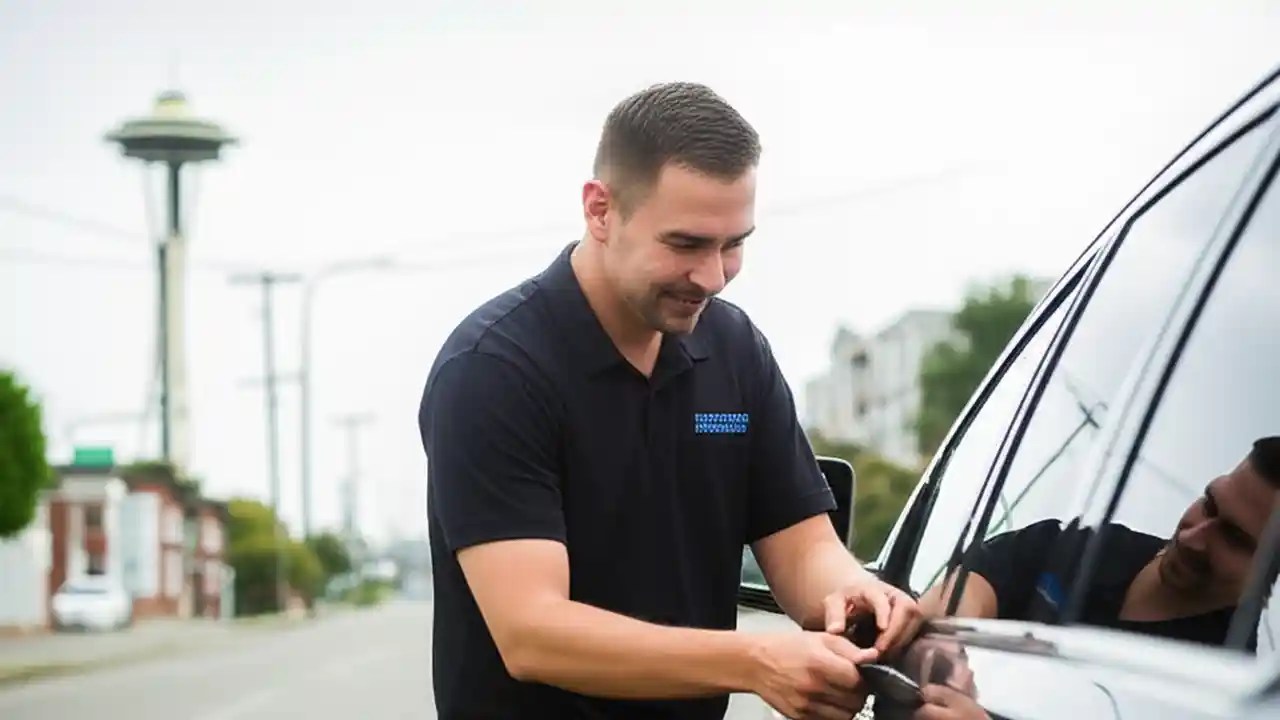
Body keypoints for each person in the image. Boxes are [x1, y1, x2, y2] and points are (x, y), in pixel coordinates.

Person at [418, 81, 923, 719]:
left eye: (734, 243)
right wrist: (755, 662)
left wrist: (854, 592)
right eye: (686, 245)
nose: (713, 277)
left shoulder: (736, 352)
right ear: (600, 210)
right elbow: (531, 633)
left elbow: (803, 548)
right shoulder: (493, 371)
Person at [919, 436, 1280, 650]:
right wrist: (948, 650)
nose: (1192, 537)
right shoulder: (1091, 549)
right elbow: (970, 585)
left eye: (1234, 538)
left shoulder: (1224, 681)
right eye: (1208, 504)